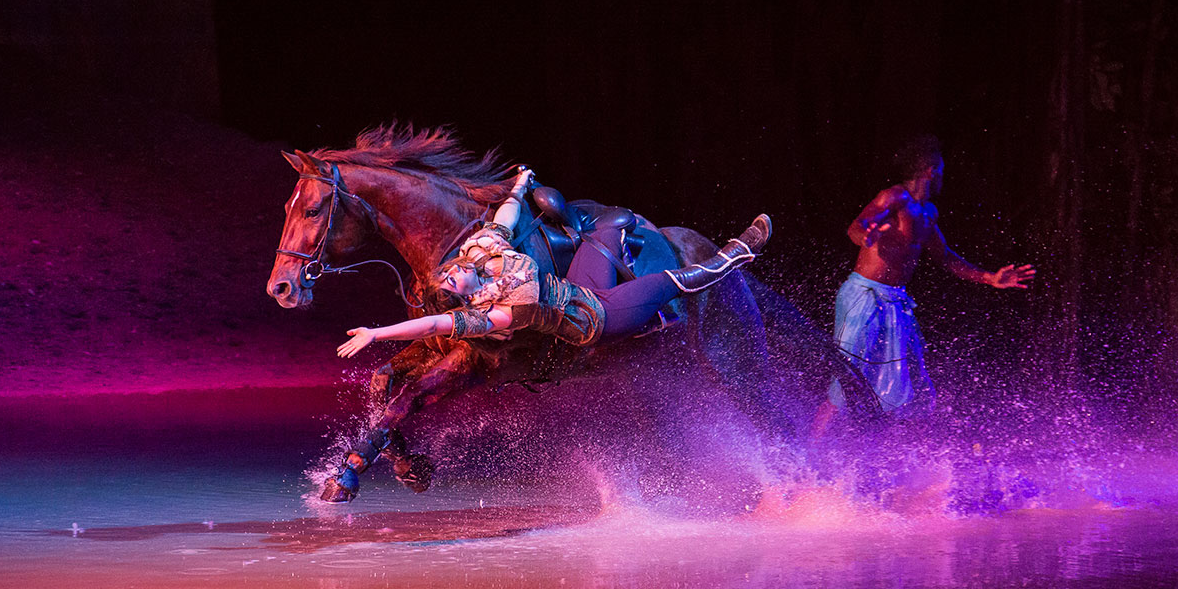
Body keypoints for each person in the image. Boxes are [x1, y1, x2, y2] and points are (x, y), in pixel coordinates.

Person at [327, 166, 772, 496]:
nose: (448, 275)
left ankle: (668, 268)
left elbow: (503, 217)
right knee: (665, 285)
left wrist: (520, 185)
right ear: (462, 297)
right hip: (594, 317)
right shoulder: (497, 313)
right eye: (447, 283)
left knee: (614, 222)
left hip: (580, 285)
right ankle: (734, 257)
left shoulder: (480, 248)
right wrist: (377, 334)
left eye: (447, 275)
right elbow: (436, 324)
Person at [815, 135, 1035, 430]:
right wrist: (866, 236)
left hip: (895, 302)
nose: (944, 174)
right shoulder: (893, 198)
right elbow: (856, 227)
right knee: (847, 378)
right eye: (941, 167)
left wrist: (990, 278)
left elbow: (945, 257)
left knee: (901, 385)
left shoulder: (928, 213)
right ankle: (810, 453)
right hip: (863, 296)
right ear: (930, 169)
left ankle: (875, 455)